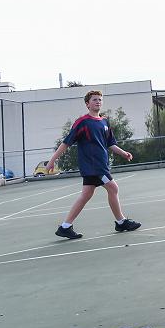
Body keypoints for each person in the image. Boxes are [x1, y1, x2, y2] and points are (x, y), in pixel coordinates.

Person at [46, 90, 141, 239]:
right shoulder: (82, 122)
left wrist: (123, 153)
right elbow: (66, 143)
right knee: (113, 188)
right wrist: (52, 161)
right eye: (94, 100)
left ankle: (65, 226)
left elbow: (110, 143)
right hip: (94, 167)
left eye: (100, 100)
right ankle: (121, 221)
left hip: (100, 164)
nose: (98, 102)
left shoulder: (104, 122)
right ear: (87, 104)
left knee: (86, 194)